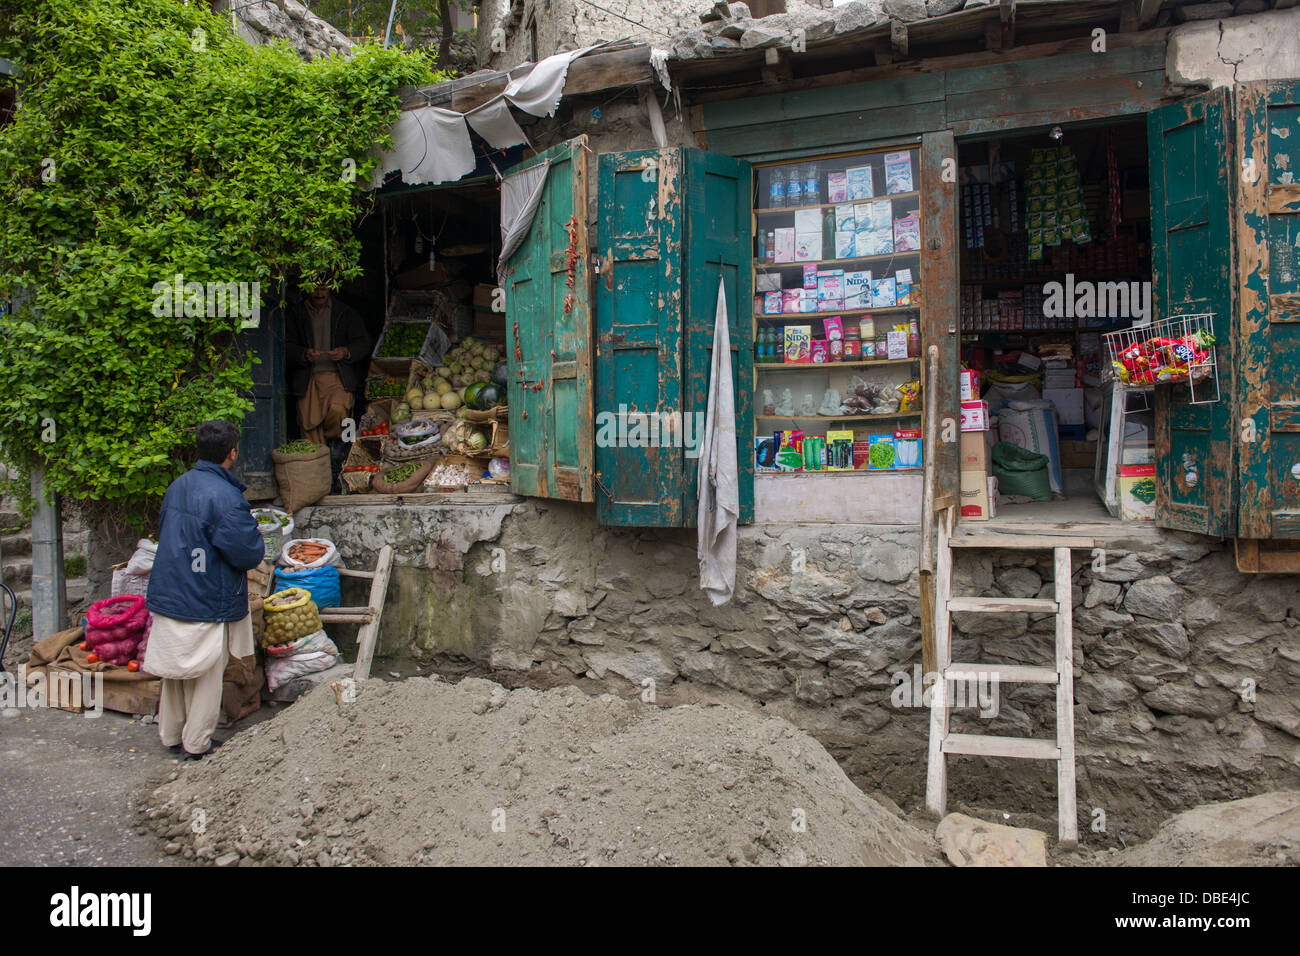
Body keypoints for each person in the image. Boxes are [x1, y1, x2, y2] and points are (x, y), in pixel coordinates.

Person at [144, 421, 266, 759]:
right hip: (206, 595)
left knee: (176, 670)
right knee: (207, 672)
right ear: (232, 453)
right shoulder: (226, 497)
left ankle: (170, 733)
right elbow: (247, 552)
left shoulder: (177, 486)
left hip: (171, 588)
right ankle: (196, 743)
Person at [285, 282, 371, 447]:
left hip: (338, 377)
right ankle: (317, 462)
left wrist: (346, 351)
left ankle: (345, 451)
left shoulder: (345, 313)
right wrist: (303, 354)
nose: (319, 294)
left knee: (341, 411)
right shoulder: (296, 314)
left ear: (331, 288)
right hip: (308, 379)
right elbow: (285, 346)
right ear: (306, 288)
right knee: (307, 423)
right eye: (315, 289)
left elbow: (363, 343)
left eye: (323, 289)